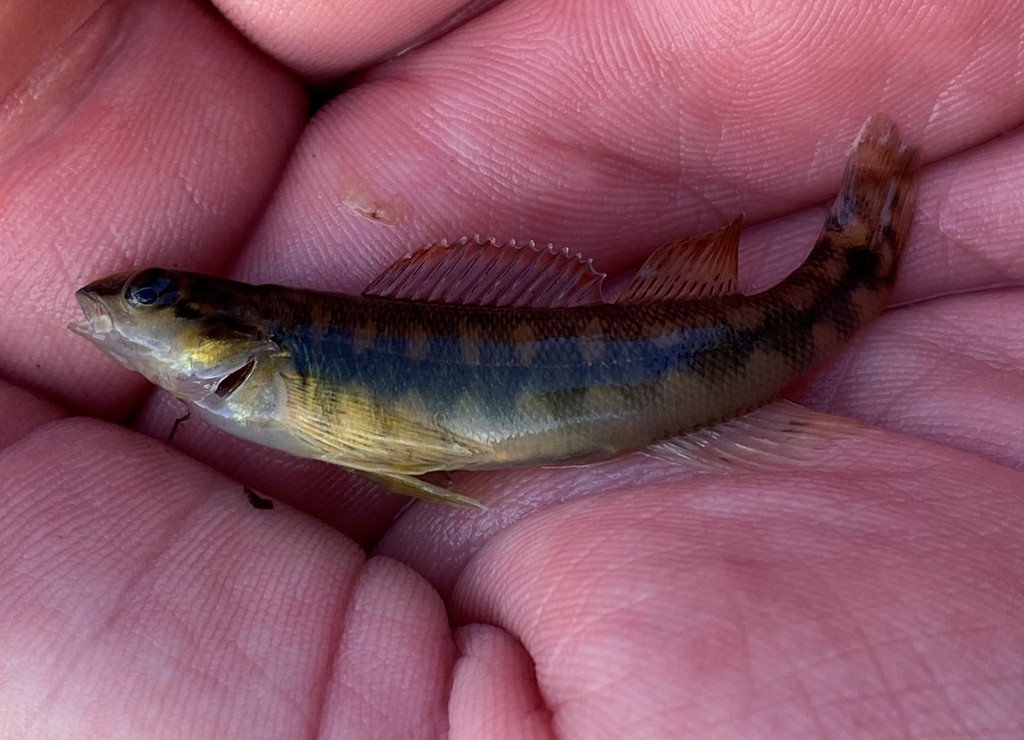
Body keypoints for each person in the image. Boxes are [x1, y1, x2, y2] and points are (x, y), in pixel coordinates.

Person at [2, 0, 1022, 736]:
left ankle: (857, 259)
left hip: (694, 355)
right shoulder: (251, 380)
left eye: (144, 297)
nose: (108, 308)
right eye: (137, 293)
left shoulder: (269, 373)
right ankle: (857, 256)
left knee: (801, 312)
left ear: (232, 326)